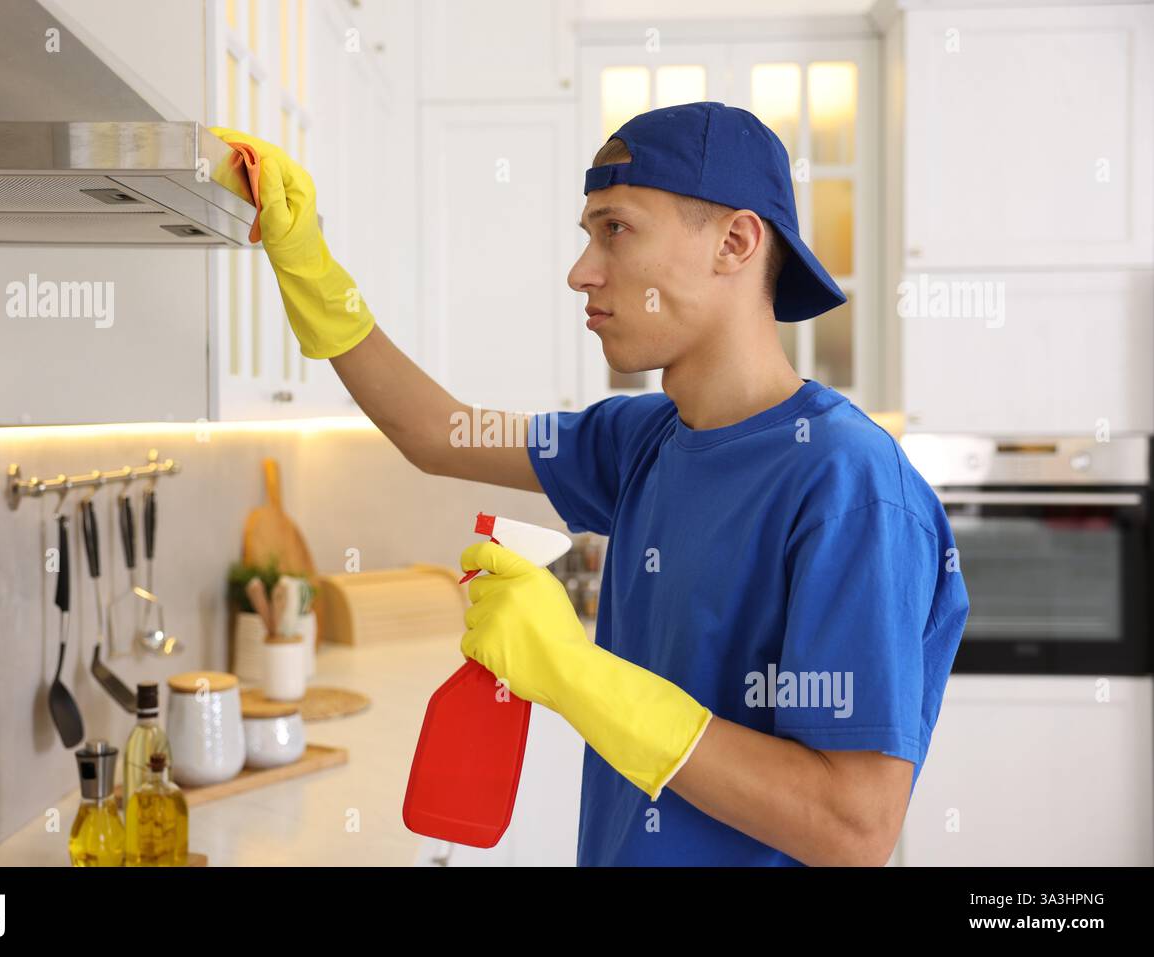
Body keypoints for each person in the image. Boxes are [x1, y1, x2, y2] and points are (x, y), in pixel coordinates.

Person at [211, 101, 969, 866]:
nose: (582, 272)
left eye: (616, 229)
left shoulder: (850, 484)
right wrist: (306, 262)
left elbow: (854, 824)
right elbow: (438, 432)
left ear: (735, 242)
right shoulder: (643, 438)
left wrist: (575, 673)